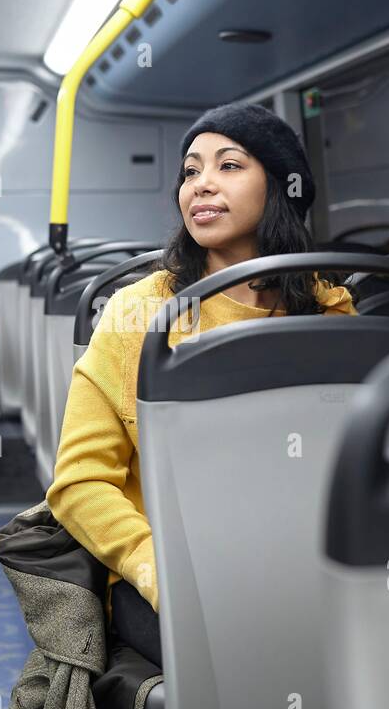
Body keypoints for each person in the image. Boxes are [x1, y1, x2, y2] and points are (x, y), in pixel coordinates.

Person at [44, 102, 355, 669]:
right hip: (169, 573)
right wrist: (156, 570)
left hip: (297, 560)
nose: (201, 185)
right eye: (190, 172)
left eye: (229, 166)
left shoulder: (328, 310)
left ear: (281, 188)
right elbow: (79, 482)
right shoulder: (140, 314)